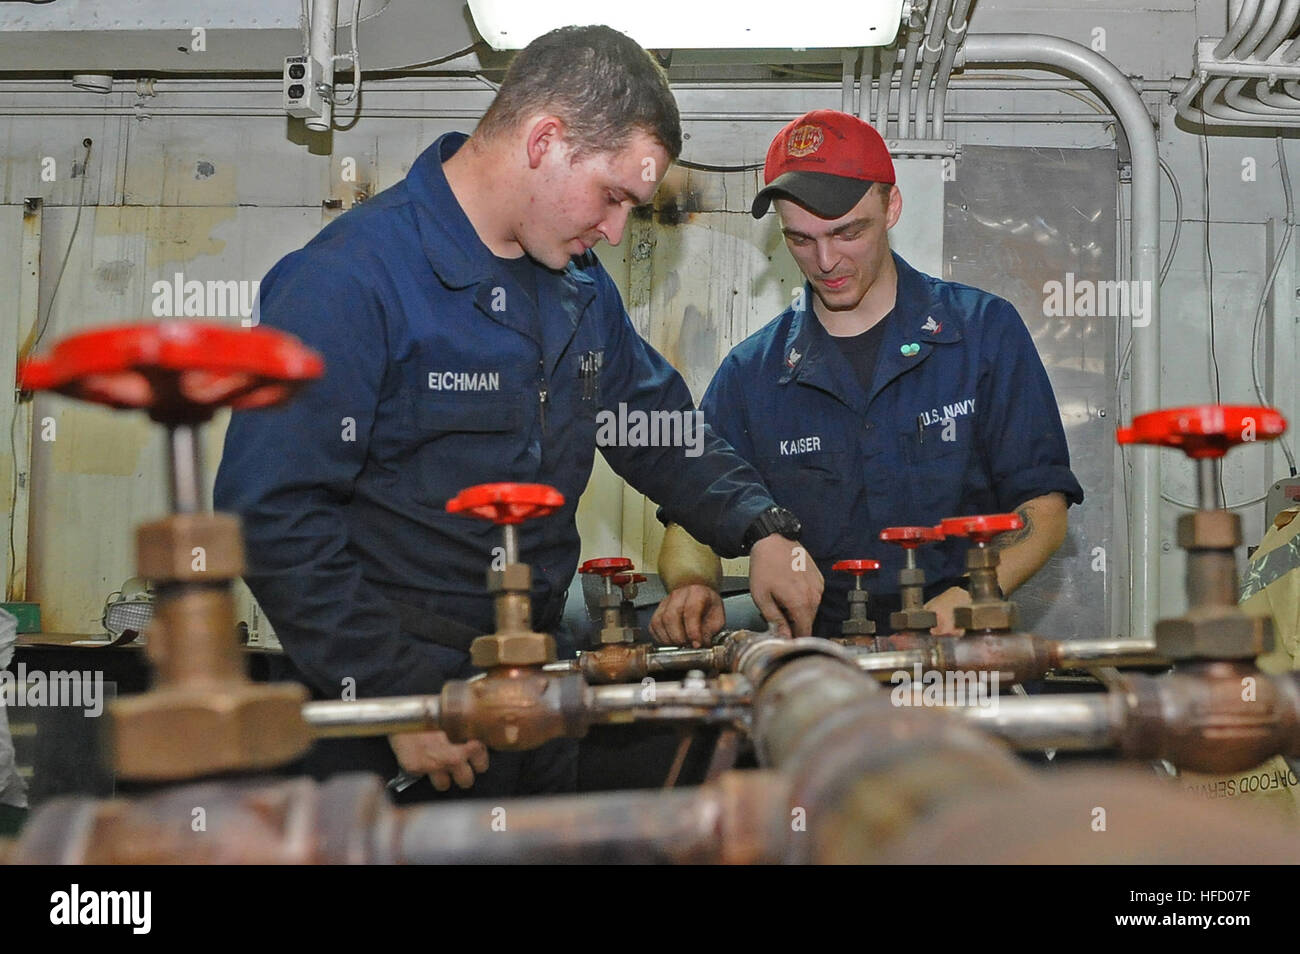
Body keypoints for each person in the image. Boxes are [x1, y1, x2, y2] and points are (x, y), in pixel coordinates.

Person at [213, 26, 820, 802]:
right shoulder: (348, 283)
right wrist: (390, 695)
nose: (614, 230)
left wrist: (763, 527)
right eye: (613, 196)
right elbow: (270, 512)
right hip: (403, 713)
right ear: (544, 141)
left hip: (537, 685)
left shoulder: (578, 288)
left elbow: (655, 427)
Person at [653, 109, 1084, 646]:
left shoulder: (982, 335)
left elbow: (1042, 508)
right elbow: (691, 518)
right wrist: (693, 585)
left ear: (892, 206)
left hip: (958, 654)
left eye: (847, 232)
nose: (826, 260)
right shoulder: (750, 376)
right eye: (801, 239)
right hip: (821, 664)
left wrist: (972, 596)